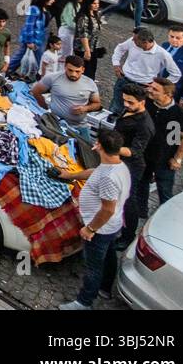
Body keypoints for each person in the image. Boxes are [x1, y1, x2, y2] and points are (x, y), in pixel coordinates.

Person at [58, 130, 131, 310]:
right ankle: (105, 288)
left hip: (101, 229)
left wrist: (90, 229)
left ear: (98, 145)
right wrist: (69, 176)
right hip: (112, 226)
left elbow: (107, 209)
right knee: (109, 255)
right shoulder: (116, 165)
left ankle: (84, 302)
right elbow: (94, 172)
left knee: (93, 267)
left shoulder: (109, 178)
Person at [119, 76, 183, 248]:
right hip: (143, 159)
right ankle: (141, 214)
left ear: (167, 94)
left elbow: (182, 139)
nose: (150, 91)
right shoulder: (147, 106)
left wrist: (177, 158)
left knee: (165, 192)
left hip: (164, 162)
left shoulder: (179, 115)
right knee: (140, 190)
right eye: (151, 88)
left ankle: (166, 224)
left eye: (155, 89)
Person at [109, 26, 181, 114]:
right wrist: (116, 64)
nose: (132, 41)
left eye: (135, 40)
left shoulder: (162, 54)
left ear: (145, 42)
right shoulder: (132, 42)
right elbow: (120, 48)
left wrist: (158, 86)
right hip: (124, 80)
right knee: (116, 108)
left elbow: (176, 74)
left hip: (142, 88)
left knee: (136, 112)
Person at [31, 55, 102, 122]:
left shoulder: (90, 83)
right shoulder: (52, 78)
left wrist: (85, 108)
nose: (73, 74)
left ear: (83, 70)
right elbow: (36, 92)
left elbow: (97, 104)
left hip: (80, 125)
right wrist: (44, 109)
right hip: (55, 122)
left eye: (77, 71)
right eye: (70, 70)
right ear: (65, 67)